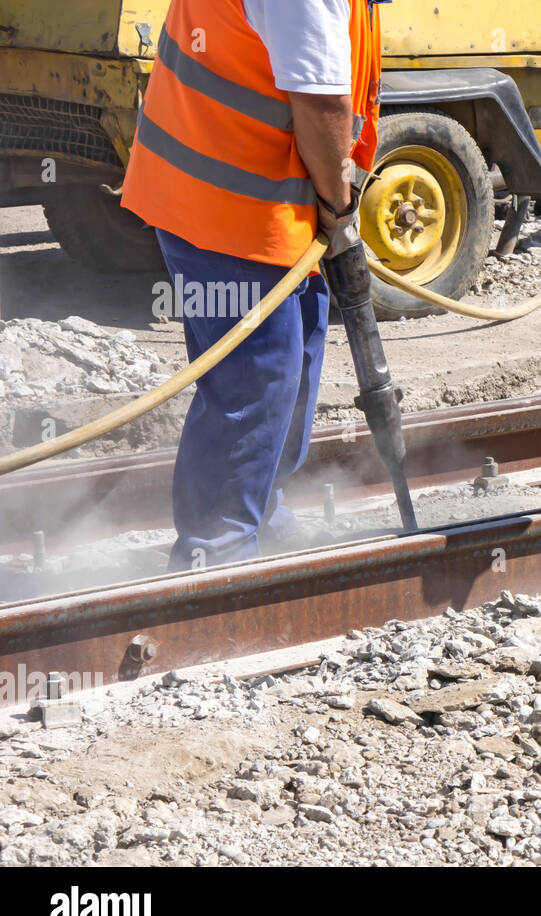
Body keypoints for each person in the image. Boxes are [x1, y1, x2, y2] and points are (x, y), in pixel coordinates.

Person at [120, 0, 384, 570]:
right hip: (229, 212)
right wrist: (340, 208)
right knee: (252, 382)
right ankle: (215, 553)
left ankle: (261, 514)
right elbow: (321, 105)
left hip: (255, 199)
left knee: (294, 364)